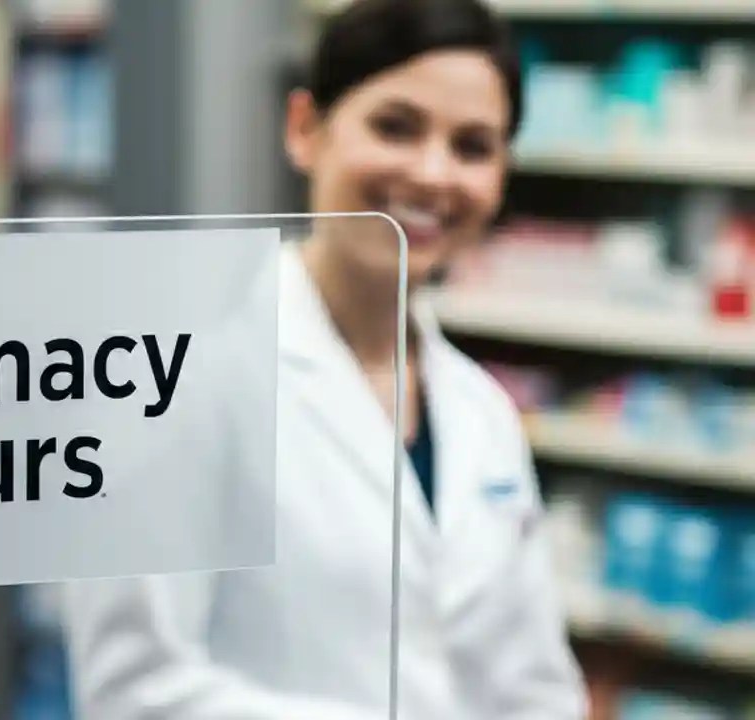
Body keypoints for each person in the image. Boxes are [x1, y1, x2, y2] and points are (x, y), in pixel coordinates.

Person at [58, 0, 589, 718]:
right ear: (305, 129)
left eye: (473, 146)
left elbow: (534, 689)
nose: (435, 174)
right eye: (395, 127)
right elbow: (133, 690)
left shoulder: (482, 413)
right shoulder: (173, 374)